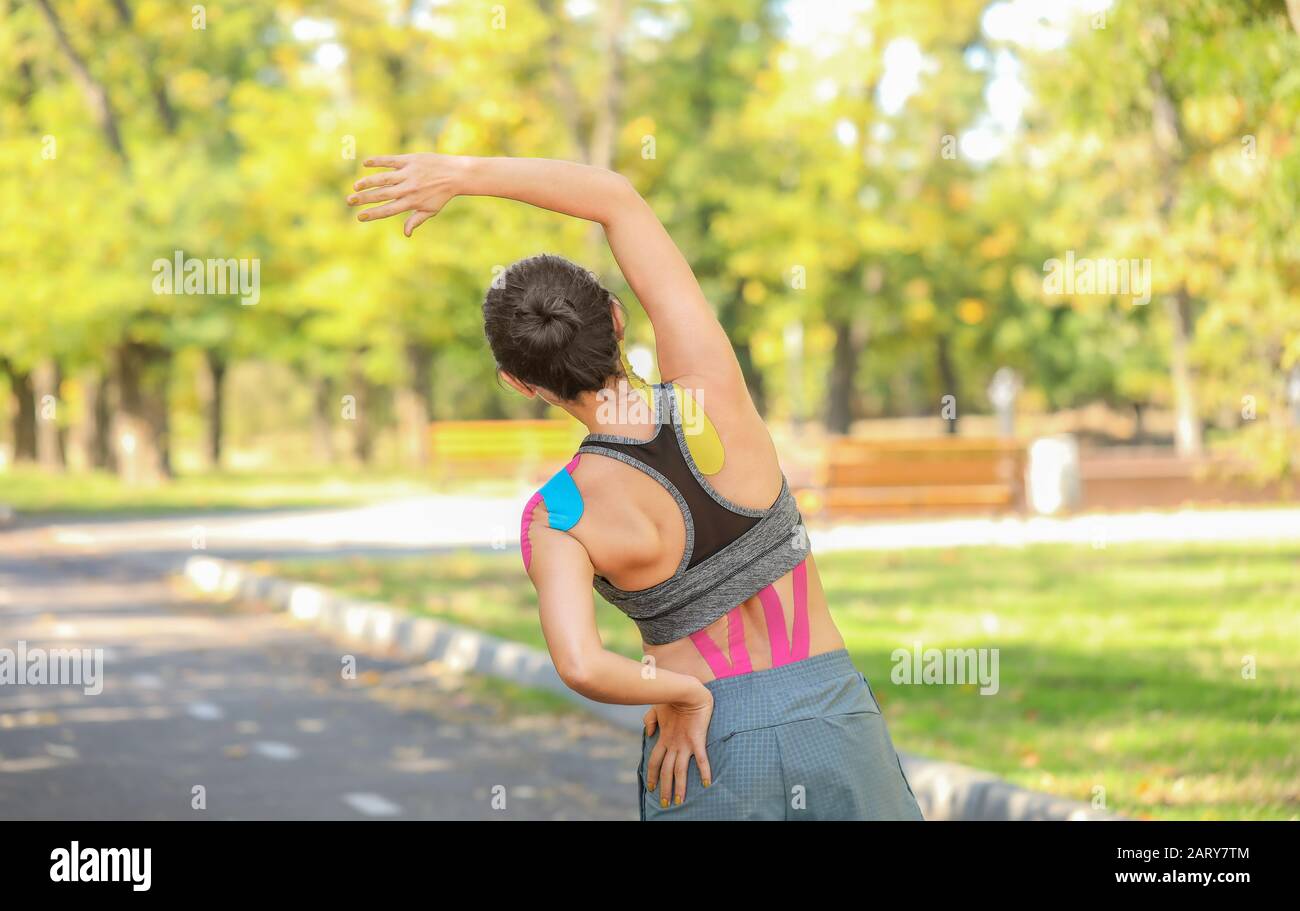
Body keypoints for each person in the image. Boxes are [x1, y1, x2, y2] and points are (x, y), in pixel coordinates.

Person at [350, 153, 923, 821]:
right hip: (839, 725)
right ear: (617, 318)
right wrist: (460, 173)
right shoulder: (714, 393)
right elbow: (616, 198)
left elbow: (581, 663)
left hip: (711, 749)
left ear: (523, 386)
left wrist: (683, 692)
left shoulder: (558, 512)